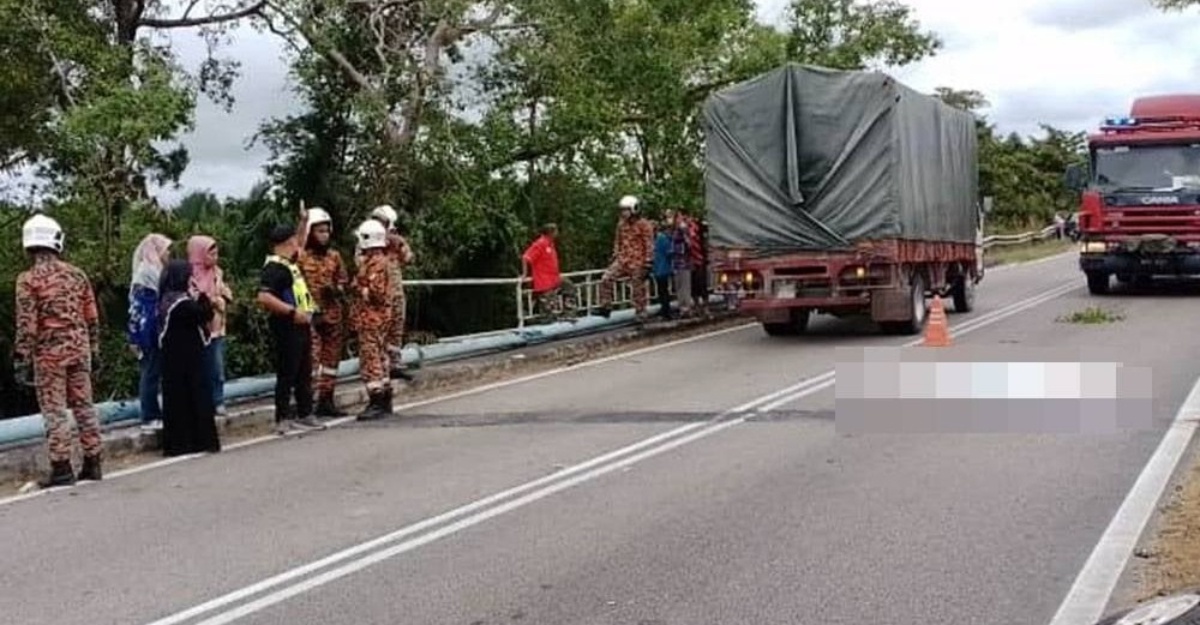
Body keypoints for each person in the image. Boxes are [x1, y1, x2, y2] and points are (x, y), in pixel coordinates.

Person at [14, 214, 103, 487]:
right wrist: (95, 349)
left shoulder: (27, 280)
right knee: (84, 407)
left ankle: (62, 467)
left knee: (55, 411)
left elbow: (27, 325)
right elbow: (92, 316)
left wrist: (21, 358)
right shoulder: (77, 274)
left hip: (49, 355)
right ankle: (93, 462)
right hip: (80, 349)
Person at [256, 215, 324, 434]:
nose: (299, 243)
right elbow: (264, 298)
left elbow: (302, 243)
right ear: (286, 243)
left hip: (302, 324)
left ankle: (305, 412)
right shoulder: (274, 269)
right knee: (288, 372)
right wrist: (292, 312)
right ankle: (282, 417)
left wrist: (303, 222)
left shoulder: (289, 263)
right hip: (287, 325)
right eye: (294, 240)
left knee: (304, 370)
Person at [157, 259, 221, 457]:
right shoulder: (181, 304)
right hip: (188, 358)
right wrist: (204, 297)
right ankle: (199, 441)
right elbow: (204, 314)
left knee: (177, 399)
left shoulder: (167, 300)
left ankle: (180, 442)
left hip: (173, 358)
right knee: (195, 396)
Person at [297, 207, 350, 417]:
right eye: (319, 231)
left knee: (331, 361)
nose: (324, 235)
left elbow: (344, 282)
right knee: (312, 360)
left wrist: (336, 290)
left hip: (332, 315)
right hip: (311, 316)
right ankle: (307, 401)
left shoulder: (335, 257)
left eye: (327, 231)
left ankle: (326, 400)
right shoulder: (302, 257)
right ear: (311, 233)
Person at [350, 219, 394, 420]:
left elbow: (374, 293)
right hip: (377, 318)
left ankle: (377, 400)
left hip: (372, 319)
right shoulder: (377, 261)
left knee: (371, 359)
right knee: (381, 356)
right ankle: (384, 398)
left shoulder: (376, 264)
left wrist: (359, 287)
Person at [127, 233, 171, 431]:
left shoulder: (155, 270)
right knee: (150, 371)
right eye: (165, 249)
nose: (168, 253)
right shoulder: (147, 273)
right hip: (148, 330)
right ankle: (149, 415)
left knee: (155, 370)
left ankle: (156, 413)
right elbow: (141, 306)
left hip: (154, 328)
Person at [368, 204, 415, 381]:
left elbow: (409, 258)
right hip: (378, 296)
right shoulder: (367, 242)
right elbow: (360, 264)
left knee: (396, 328)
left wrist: (400, 244)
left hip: (396, 293)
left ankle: (394, 364)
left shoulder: (396, 242)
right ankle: (379, 367)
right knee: (379, 332)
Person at [187, 235, 233, 417]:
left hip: (217, 326)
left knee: (217, 367)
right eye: (210, 254)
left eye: (216, 254)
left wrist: (224, 297)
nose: (214, 258)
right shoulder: (189, 275)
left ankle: (218, 400)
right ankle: (202, 402)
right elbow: (195, 297)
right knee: (202, 367)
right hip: (199, 329)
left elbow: (226, 291)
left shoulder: (217, 273)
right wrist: (213, 300)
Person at [596, 195, 655, 319]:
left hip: (638, 261)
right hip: (623, 260)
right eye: (622, 210)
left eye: (626, 210)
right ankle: (606, 306)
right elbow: (618, 241)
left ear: (634, 209)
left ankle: (641, 312)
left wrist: (648, 262)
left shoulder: (644, 225)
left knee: (637, 288)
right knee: (606, 278)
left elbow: (649, 244)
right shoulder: (621, 224)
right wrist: (615, 255)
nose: (623, 213)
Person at [521, 223, 578, 321]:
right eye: (556, 231)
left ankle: (569, 313)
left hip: (554, 278)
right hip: (544, 280)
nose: (557, 233)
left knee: (568, 286)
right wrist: (524, 274)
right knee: (548, 305)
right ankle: (546, 320)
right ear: (551, 232)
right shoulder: (540, 243)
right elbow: (526, 257)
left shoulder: (550, 244)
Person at [670, 210, 694, 317]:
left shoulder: (683, 228)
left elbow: (689, 243)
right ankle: (681, 307)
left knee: (684, 286)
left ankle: (686, 307)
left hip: (684, 261)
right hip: (676, 261)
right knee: (679, 286)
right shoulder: (674, 230)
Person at [652, 215, 675, 320]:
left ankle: (666, 311)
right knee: (662, 291)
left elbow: (669, 252)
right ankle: (665, 310)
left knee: (663, 291)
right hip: (659, 268)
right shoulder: (657, 239)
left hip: (662, 268)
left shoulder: (661, 238)